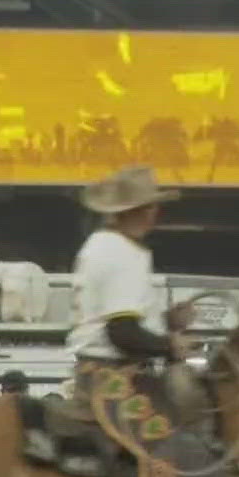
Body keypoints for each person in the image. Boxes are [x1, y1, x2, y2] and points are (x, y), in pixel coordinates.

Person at [65, 166, 185, 400]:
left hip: (94, 373)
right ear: (141, 211)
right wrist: (170, 344)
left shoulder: (101, 243)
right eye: (151, 206)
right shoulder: (121, 252)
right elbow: (122, 332)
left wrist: (164, 321)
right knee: (181, 435)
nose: (155, 212)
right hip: (116, 378)